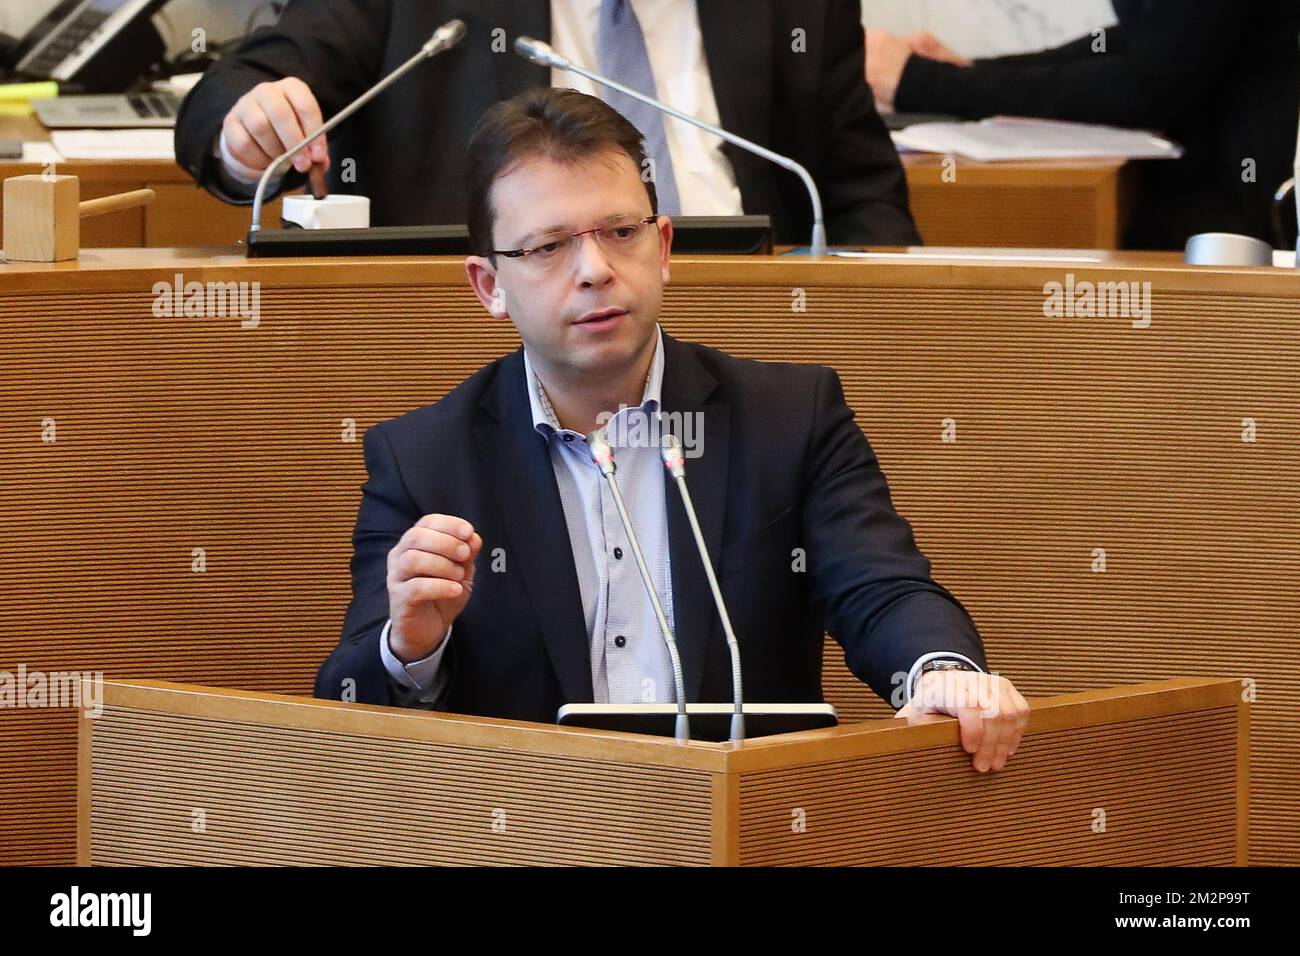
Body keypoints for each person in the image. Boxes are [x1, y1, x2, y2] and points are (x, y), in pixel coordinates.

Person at [314, 87, 1029, 771]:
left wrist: (941, 674)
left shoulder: (789, 417)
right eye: (548, 247)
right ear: (488, 285)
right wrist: (408, 647)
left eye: (620, 233)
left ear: (662, 246)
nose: (595, 270)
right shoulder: (424, 462)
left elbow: (885, 592)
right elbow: (348, 721)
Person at [174, 0, 921, 247]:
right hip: (480, 354)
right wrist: (249, 133)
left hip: (751, 352)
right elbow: (234, 89)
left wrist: (874, 336)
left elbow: (861, 194)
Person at [866, 0, 1300, 249]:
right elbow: (1141, 41)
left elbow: (1149, 83)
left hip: (1231, 228)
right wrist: (968, 70)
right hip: (1197, 200)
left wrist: (926, 82)